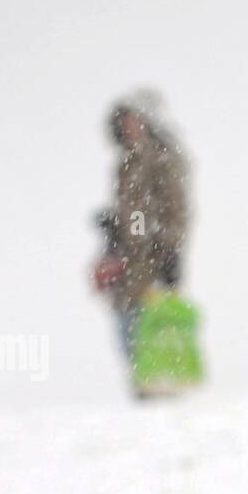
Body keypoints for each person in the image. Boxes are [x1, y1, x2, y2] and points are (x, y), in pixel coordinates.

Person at [93, 88, 189, 392]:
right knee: (127, 330)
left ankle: (161, 390)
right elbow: (135, 212)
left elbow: (174, 209)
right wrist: (114, 227)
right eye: (125, 120)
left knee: (151, 329)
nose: (128, 126)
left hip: (153, 260)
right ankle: (145, 387)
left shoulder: (162, 158)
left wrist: (170, 249)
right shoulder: (129, 161)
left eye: (133, 119)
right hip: (130, 260)